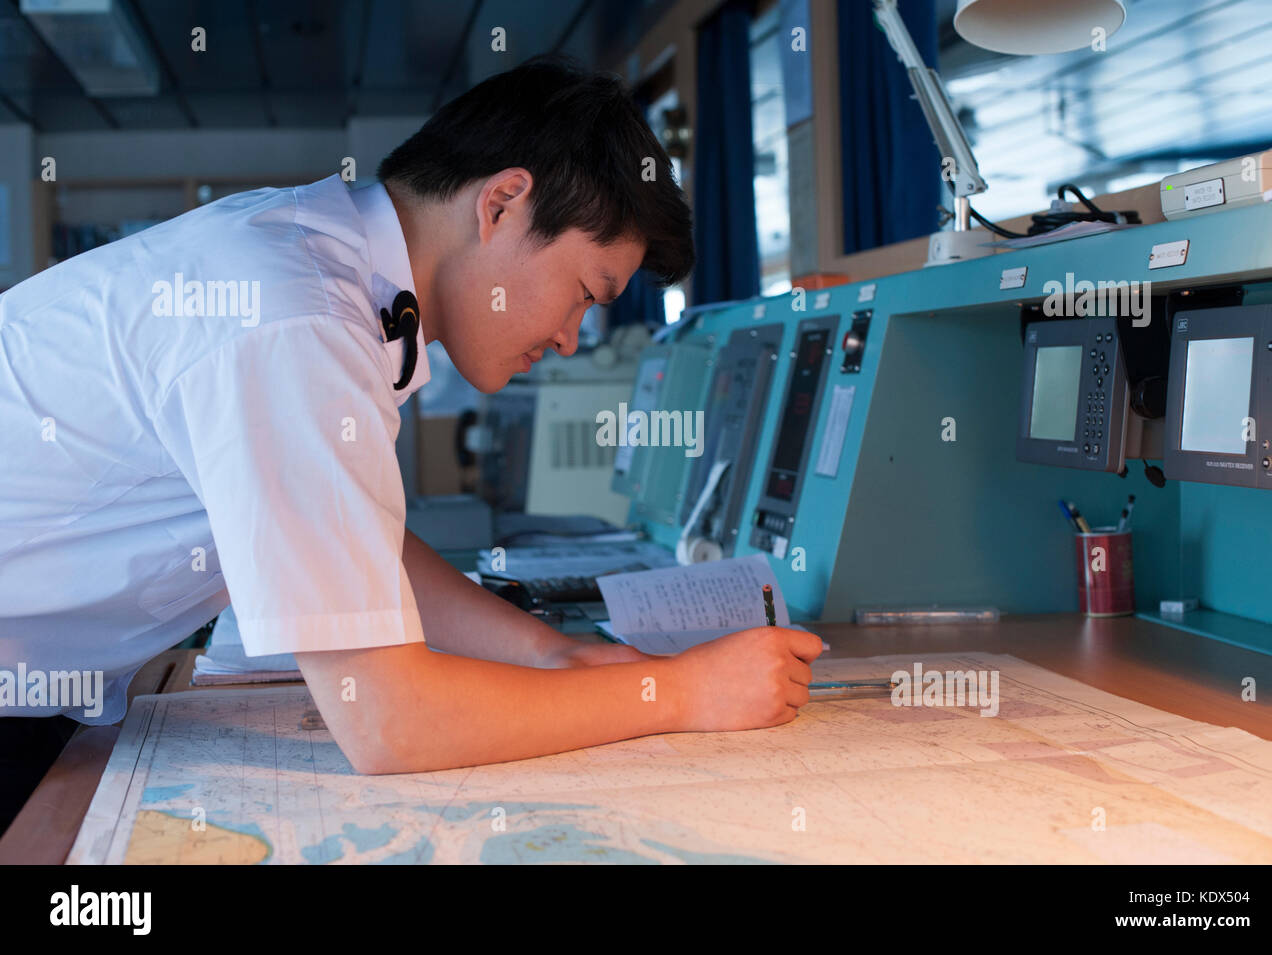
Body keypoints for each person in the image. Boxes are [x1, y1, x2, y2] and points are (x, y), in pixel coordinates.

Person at [0, 57, 820, 833]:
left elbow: (359, 539)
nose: (573, 338)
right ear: (502, 203)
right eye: (582, 293)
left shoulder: (325, 269)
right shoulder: (300, 317)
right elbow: (388, 720)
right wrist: (677, 691)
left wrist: (557, 654)